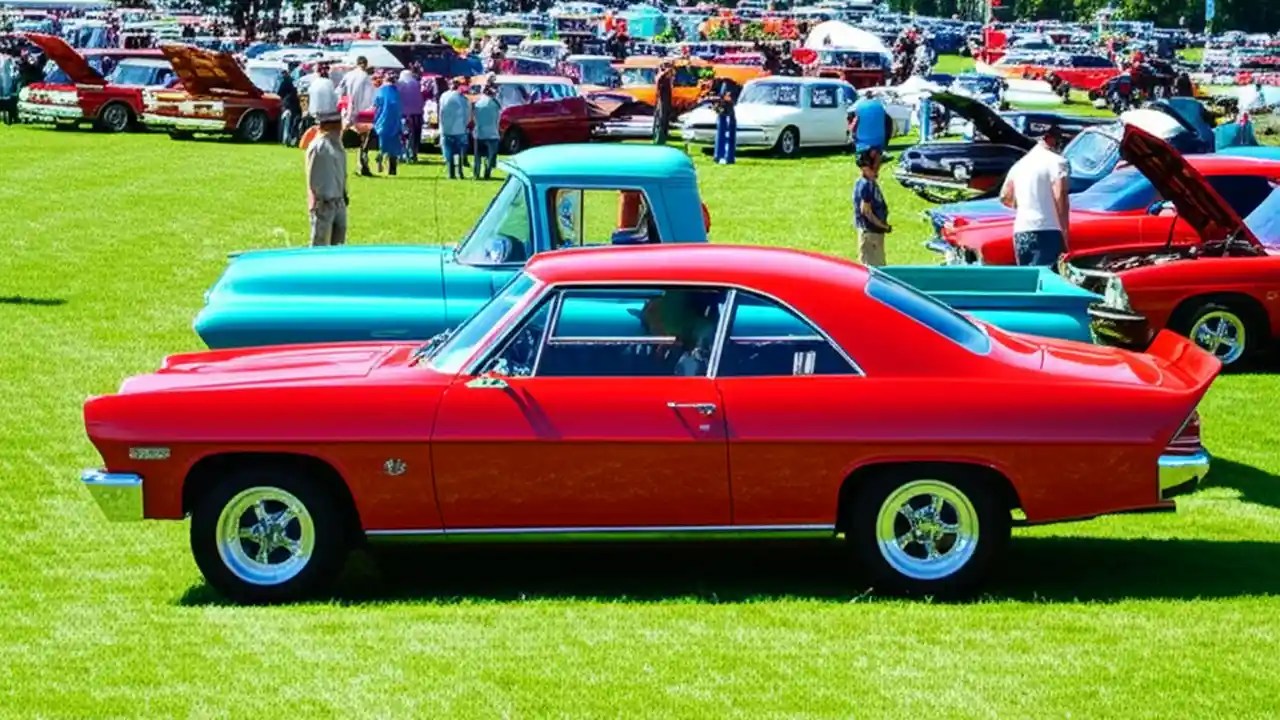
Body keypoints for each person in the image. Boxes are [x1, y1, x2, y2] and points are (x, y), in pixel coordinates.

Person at [999, 126, 1069, 266]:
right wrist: (1064, 232)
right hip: (1047, 229)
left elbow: (1005, 196)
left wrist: (1026, 205)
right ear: (1050, 139)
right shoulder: (1057, 162)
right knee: (1047, 275)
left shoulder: (1020, 165)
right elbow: (1060, 196)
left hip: (1021, 230)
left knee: (1027, 275)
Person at [306, 112, 349, 247]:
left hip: (339, 202)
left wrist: (344, 193)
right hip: (324, 203)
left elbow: (342, 172)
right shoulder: (319, 146)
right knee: (320, 245)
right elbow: (313, 178)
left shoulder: (338, 145)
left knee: (339, 246)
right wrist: (316, 201)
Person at [853, 150, 891, 266]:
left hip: (874, 234)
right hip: (870, 234)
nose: (879, 169)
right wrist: (883, 226)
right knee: (875, 268)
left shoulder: (869, 183)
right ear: (865, 168)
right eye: (876, 166)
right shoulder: (866, 186)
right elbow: (866, 211)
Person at [339, 56, 375, 175]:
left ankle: (336, 163)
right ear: (365, 64)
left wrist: (344, 108)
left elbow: (341, 91)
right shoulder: (366, 78)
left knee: (340, 137)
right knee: (364, 139)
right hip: (363, 110)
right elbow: (369, 97)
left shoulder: (348, 75)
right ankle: (363, 165)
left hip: (348, 109)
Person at [438, 77, 471, 179]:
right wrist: (465, 124)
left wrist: (441, 125)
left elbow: (441, 112)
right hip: (459, 129)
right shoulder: (463, 99)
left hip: (446, 129)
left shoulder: (443, 96)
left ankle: (451, 173)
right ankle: (460, 172)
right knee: (460, 153)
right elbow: (467, 114)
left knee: (449, 154)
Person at [371, 71, 403, 175]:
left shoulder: (381, 91)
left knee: (383, 145)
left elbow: (376, 106)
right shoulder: (396, 92)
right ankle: (392, 169)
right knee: (394, 146)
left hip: (382, 122)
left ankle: (380, 159)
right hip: (394, 122)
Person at [472, 80, 501, 179]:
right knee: (490, 156)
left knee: (477, 157)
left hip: (479, 132)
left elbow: (474, 117)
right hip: (492, 133)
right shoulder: (495, 103)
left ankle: (476, 174)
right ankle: (487, 173)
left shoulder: (477, 103)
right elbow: (498, 118)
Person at [397, 68, 425, 162]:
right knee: (414, 136)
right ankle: (413, 154)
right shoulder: (416, 84)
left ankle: (402, 154)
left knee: (402, 136)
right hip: (417, 114)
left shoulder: (399, 84)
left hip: (403, 114)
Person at [711, 76, 739, 165]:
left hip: (727, 109)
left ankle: (724, 156)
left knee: (725, 131)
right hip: (726, 109)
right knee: (724, 131)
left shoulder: (727, 83)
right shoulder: (724, 83)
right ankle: (723, 156)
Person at [277, 71, 301, 147]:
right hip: (293, 106)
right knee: (291, 124)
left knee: (286, 123)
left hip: (287, 105)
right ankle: (289, 139)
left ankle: (285, 140)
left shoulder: (284, 82)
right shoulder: (293, 82)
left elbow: (279, 93)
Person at [653, 62, 674, 144]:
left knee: (665, 120)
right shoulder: (660, 76)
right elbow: (658, 79)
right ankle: (659, 137)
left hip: (667, 100)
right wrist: (666, 71)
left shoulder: (668, 78)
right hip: (661, 100)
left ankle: (663, 137)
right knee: (661, 119)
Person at [0, 50, 17, 126]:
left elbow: (13, 73)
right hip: (6, 86)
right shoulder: (7, 61)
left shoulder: (9, 61)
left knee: (7, 101)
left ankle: (9, 118)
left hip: (7, 87)